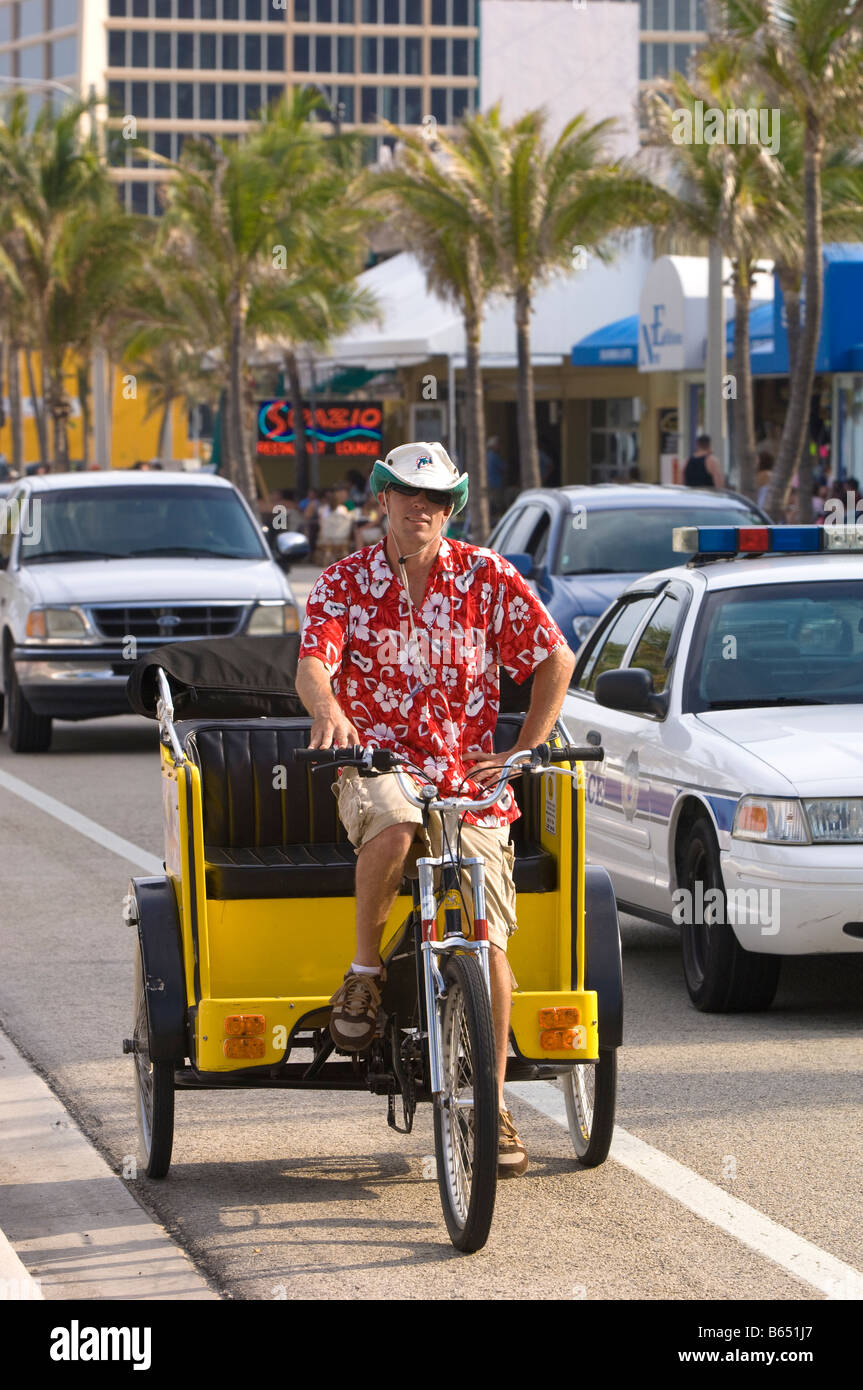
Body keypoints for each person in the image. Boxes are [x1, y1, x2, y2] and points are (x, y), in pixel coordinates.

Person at [296, 441, 575, 1178]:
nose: (423, 511)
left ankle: (493, 1104)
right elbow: (313, 663)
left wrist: (522, 748)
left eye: (439, 501)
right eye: (409, 496)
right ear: (381, 499)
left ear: (449, 510)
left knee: (486, 944)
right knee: (396, 818)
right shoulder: (343, 583)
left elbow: (554, 658)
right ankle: (364, 970)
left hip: (468, 782)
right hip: (377, 768)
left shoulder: (487, 576)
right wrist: (328, 710)